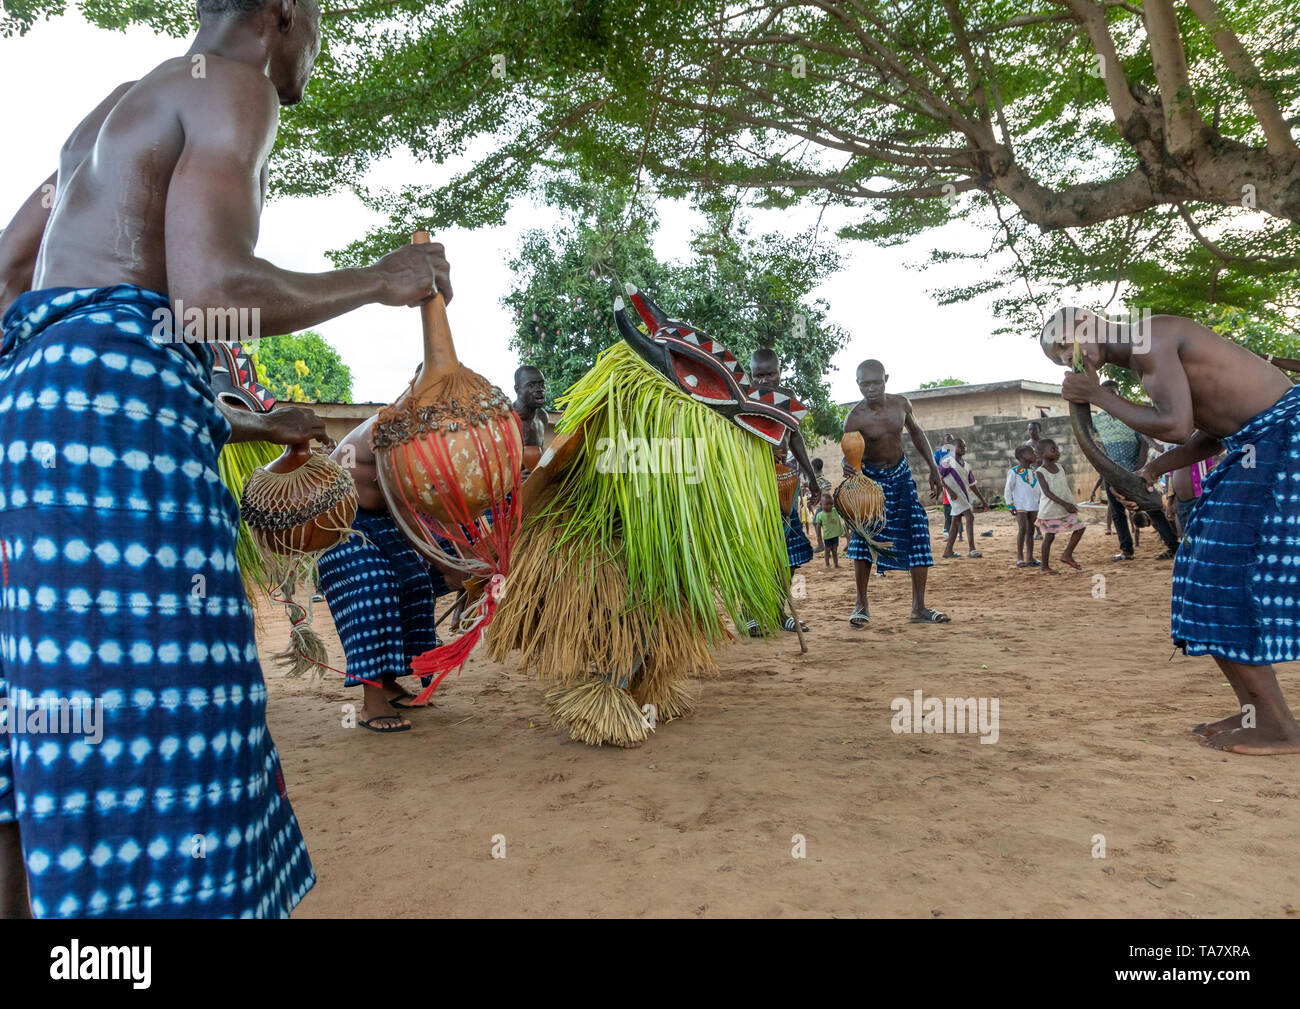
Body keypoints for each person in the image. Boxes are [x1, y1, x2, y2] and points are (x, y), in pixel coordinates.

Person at [0, 0, 453, 919]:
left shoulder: (108, 115)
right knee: (175, 715)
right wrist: (381, 280)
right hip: (114, 438)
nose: (316, 50)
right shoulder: (237, 88)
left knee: (49, 706)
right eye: (320, 23)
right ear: (284, 13)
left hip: (34, 419)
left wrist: (242, 420)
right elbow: (206, 299)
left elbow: (14, 280)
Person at [1044, 307, 1300, 755]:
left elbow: (1176, 426)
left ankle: (1279, 728)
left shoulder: (1150, 335)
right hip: (1254, 444)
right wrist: (1152, 470)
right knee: (1199, 577)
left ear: (1087, 320)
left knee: (1222, 578)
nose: (1067, 357)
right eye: (1058, 357)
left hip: (1283, 440)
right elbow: (1213, 431)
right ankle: (1256, 714)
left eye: (1065, 343)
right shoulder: (1144, 360)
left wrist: (1098, 396)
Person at [316, 415, 458, 733]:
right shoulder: (394, 430)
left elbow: (438, 502)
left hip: (380, 518)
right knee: (375, 588)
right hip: (339, 517)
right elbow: (403, 508)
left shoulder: (438, 439)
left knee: (416, 583)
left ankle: (390, 682)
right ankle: (372, 701)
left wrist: (464, 558)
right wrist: (447, 566)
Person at [843, 360, 947, 627]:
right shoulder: (854, 418)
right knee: (863, 539)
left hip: (902, 476)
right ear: (858, 384)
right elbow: (849, 453)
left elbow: (917, 433)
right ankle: (861, 605)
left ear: (886, 379)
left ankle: (919, 608)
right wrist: (849, 467)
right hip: (871, 482)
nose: (871, 388)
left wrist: (933, 468)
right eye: (865, 384)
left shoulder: (901, 404)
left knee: (918, 532)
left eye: (876, 382)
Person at [750, 349, 817, 632]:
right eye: (759, 375)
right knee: (756, 552)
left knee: (788, 554)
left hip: (785, 484)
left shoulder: (788, 399)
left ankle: (778, 611)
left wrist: (812, 477)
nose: (765, 380)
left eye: (771, 374)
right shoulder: (744, 398)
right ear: (751, 375)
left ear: (780, 372)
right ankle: (752, 613)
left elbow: (795, 438)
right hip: (753, 483)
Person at [1090, 380, 1179, 561]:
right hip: (1111, 472)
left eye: (1113, 393)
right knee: (1117, 512)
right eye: (1106, 394)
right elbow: (1092, 439)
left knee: (1152, 508)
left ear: (1119, 394)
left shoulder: (1129, 415)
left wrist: (1139, 469)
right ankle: (1127, 550)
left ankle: (1173, 546)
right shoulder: (1098, 420)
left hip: (1135, 471)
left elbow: (1144, 443)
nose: (1110, 397)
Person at [1034, 438, 1086, 573]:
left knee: (1080, 528)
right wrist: (1065, 504)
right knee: (1049, 537)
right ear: (1041, 453)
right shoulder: (1040, 471)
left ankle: (1067, 554)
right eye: (1053, 449)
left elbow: (1063, 488)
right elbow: (1047, 492)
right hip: (1050, 511)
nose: (1057, 452)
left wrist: (1070, 503)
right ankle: (1044, 567)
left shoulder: (1061, 468)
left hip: (1065, 509)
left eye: (1057, 449)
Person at [939, 439, 991, 558]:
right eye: (960, 446)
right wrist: (949, 490)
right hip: (954, 496)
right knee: (970, 516)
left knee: (956, 521)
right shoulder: (948, 461)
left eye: (965, 446)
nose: (963, 448)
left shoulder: (966, 465)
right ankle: (972, 549)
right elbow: (938, 477)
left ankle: (948, 551)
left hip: (963, 496)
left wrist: (983, 501)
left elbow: (972, 485)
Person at [1003, 444, 1040, 568]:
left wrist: (1040, 502)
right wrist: (1010, 504)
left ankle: (1030, 557)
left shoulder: (1035, 471)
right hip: (1020, 505)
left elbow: (1039, 488)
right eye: (1031, 452)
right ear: (1022, 456)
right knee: (1022, 529)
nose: (1034, 454)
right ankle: (1020, 557)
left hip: (1033, 504)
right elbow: (1008, 489)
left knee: (1031, 531)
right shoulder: (1014, 471)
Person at [513, 365, 547, 478]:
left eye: (542, 384)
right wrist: (513, 477)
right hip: (511, 487)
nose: (539, 389)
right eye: (531, 385)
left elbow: (538, 454)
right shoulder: (506, 419)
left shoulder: (542, 417)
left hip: (536, 483)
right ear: (517, 389)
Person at [814, 491, 843, 568]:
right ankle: (827, 564)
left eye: (831, 504)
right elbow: (818, 527)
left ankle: (836, 564)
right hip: (827, 537)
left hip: (835, 536)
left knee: (835, 551)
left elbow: (840, 506)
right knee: (827, 551)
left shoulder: (835, 511)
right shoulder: (820, 515)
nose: (829, 506)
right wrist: (819, 538)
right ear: (821, 504)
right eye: (827, 504)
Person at [934, 433, 955, 533]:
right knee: (948, 503)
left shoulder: (954, 452)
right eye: (948, 440)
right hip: (944, 481)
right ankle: (947, 528)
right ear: (944, 441)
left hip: (954, 480)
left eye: (951, 440)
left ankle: (952, 529)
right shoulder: (938, 453)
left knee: (954, 503)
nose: (950, 442)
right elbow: (934, 466)